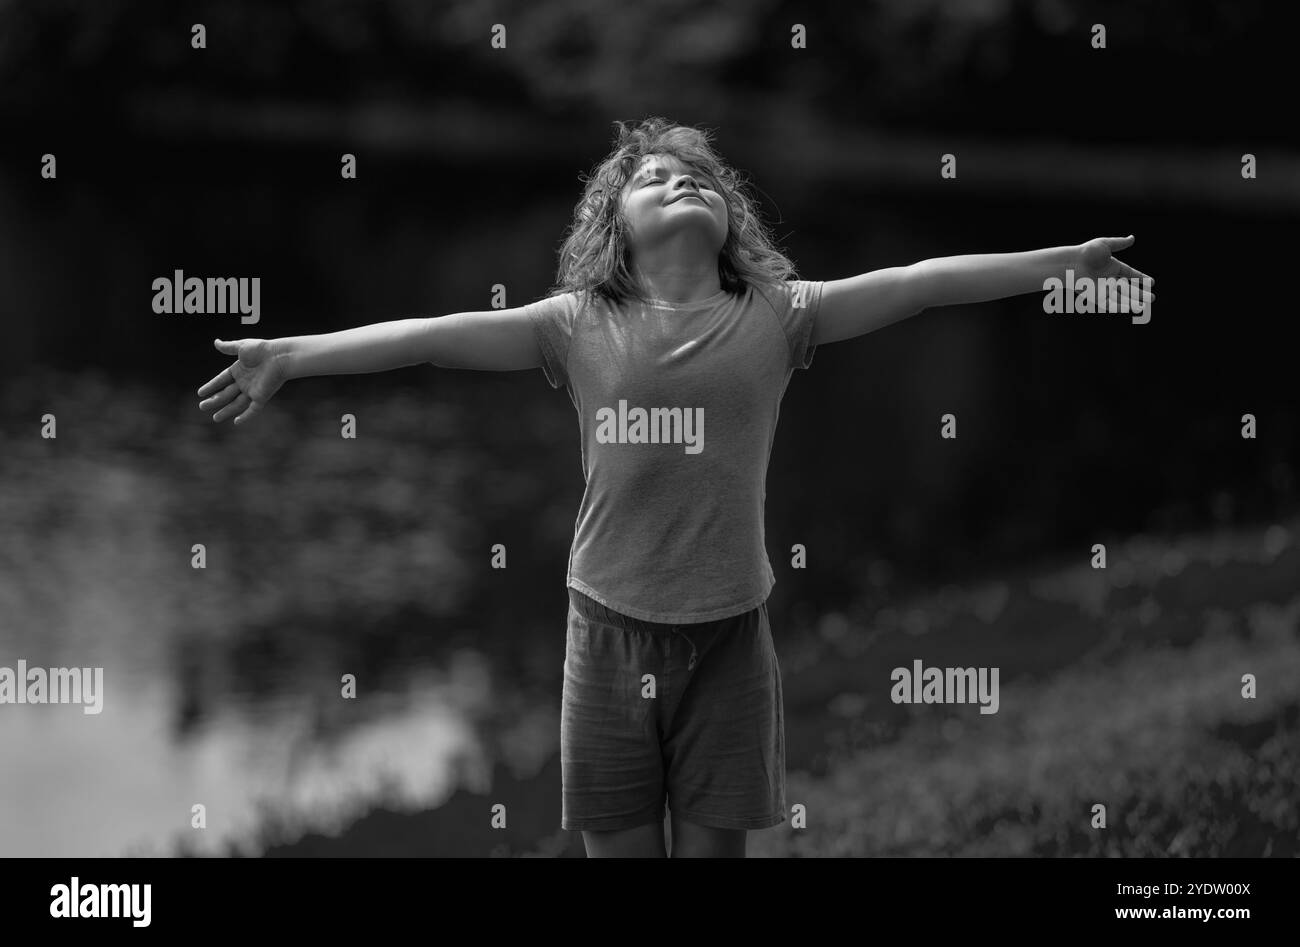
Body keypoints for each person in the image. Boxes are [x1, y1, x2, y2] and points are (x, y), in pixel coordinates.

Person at [196, 116, 1153, 858]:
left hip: (731, 641)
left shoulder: (781, 315)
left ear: (728, 216)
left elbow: (922, 280)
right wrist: (289, 353)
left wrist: (1061, 267)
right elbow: (425, 337)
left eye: (695, 175)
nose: (679, 180)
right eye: (651, 179)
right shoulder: (574, 324)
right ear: (615, 228)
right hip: (605, 636)